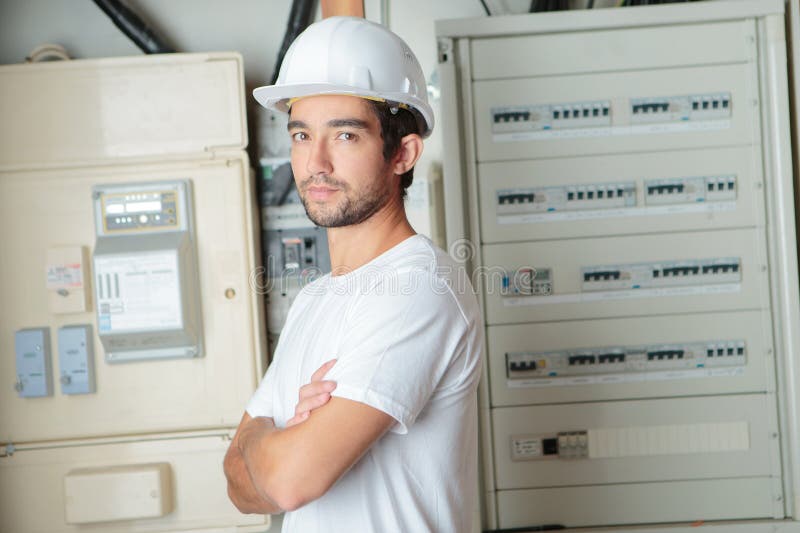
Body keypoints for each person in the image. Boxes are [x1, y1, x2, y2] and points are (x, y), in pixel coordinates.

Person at [223, 16, 483, 533]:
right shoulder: (315, 300)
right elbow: (237, 487)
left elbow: (289, 484)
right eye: (301, 134)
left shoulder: (417, 287)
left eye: (344, 134)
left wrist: (263, 440)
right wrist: (269, 450)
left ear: (403, 154)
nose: (315, 162)